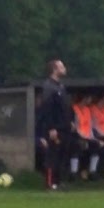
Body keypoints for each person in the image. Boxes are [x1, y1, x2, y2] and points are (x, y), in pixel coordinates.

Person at [35, 58, 72, 190]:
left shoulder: (61, 86)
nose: (64, 68)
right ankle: (50, 184)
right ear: (54, 70)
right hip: (54, 129)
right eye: (61, 67)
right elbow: (47, 109)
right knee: (53, 156)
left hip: (64, 128)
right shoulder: (48, 87)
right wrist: (51, 128)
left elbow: (65, 108)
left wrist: (70, 122)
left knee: (62, 155)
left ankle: (59, 182)